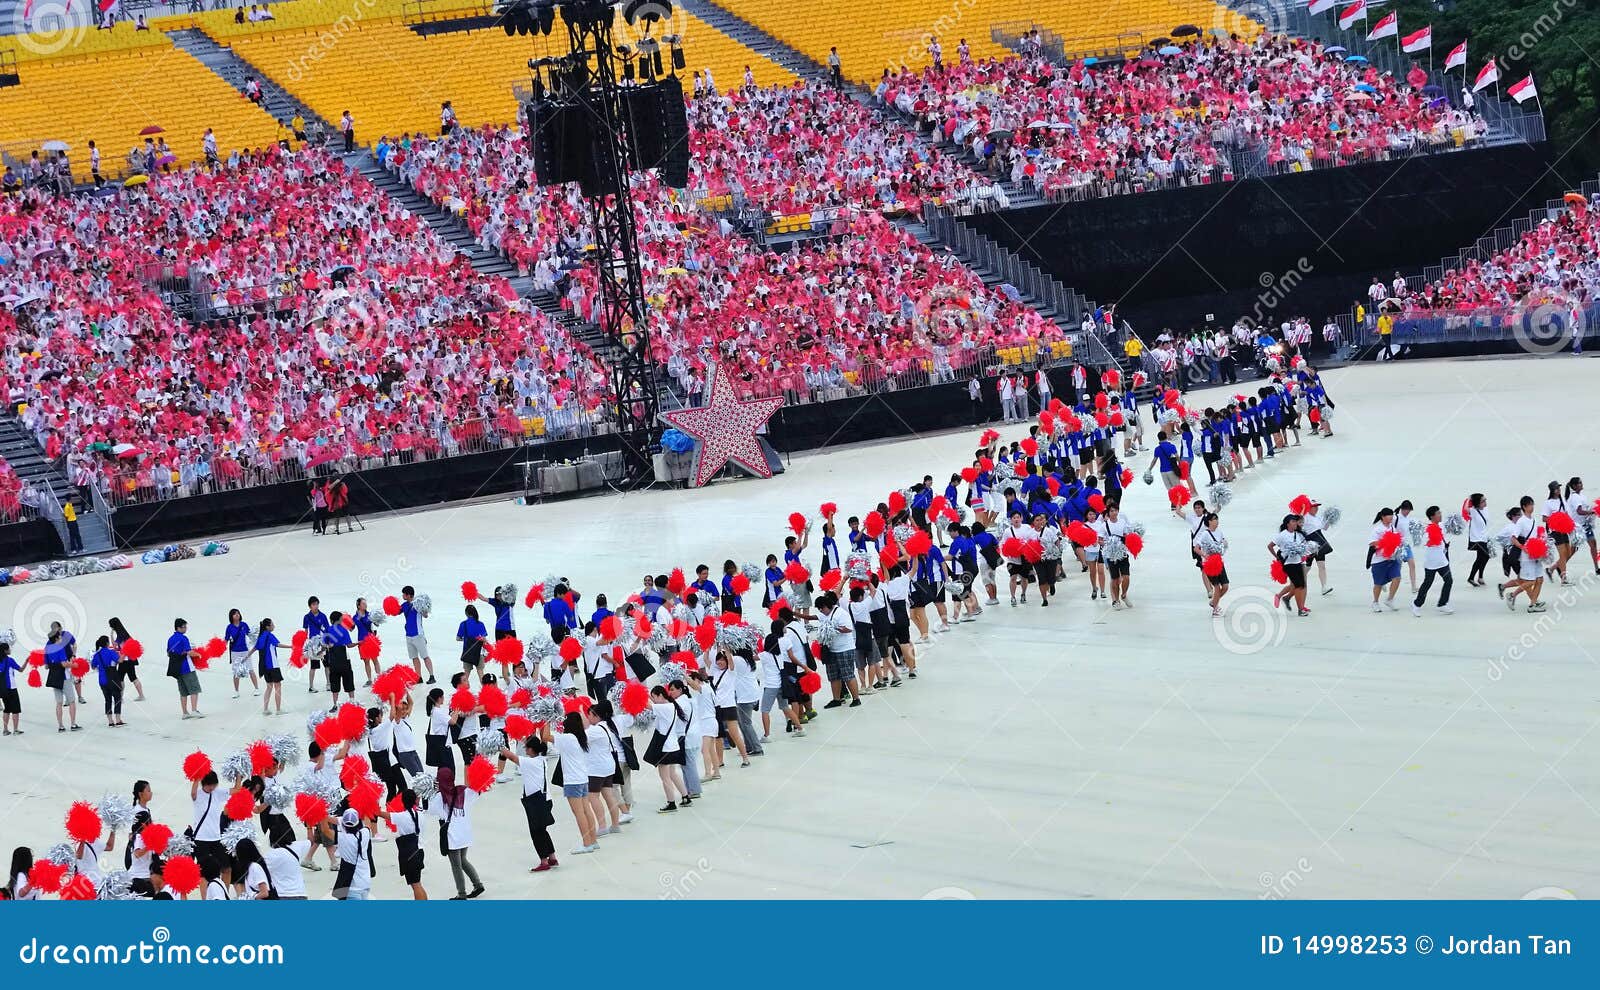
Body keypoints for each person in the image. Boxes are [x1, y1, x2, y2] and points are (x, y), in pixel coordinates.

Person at [501, 735, 557, 872]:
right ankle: (552, 856)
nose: (525, 749)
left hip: (536, 802)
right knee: (542, 831)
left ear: (532, 750)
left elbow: (511, 757)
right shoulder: (541, 760)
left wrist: (499, 745)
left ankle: (544, 861)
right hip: (545, 799)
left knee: (536, 832)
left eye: (526, 747)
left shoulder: (530, 763)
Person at [545, 715, 598, 855]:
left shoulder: (567, 738)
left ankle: (586, 843)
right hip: (583, 779)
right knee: (586, 810)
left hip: (572, 781)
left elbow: (545, 737)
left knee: (579, 813)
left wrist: (546, 718)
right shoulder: (581, 737)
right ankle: (593, 841)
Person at [428, 766, 485, 898]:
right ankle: (478, 885)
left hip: (452, 836)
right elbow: (477, 792)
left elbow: (431, 811)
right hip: (465, 834)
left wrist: (433, 792)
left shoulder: (439, 798)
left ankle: (461, 893)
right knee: (463, 860)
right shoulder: (464, 791)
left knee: (456, 865)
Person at [1412, 505, 1455, 616]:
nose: (1440, 515)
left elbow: (1446, 534)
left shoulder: (1441, 525)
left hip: (1442, 561)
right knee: (1427, 583)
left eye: (1440, 512)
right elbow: (1424, 542)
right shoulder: (1427, 530)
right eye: (1438, 513)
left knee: (1449, 580)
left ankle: (1442, 604)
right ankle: (1417, 604)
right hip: (1431, 562)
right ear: (1432, 516)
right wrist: (1430, 540)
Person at [388, 788, 428, 898]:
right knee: (417, 883)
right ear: (415, 801)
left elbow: (379, 813)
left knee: (416, 885)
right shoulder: (421, 815)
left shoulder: (400, 817)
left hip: (409, 853)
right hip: (419, 851)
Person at [166, 618, 204, 719]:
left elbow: (168, 653)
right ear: (178, 628)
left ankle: (185, 713)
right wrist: (199, 654)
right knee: (194, 689)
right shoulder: (184, 638)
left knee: (183, 692)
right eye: (184, 627)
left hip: (177, 669)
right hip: (187, 668)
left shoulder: (170, 639)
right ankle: (194, 710)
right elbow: (189, 652)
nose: (186, 628)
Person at [332, 809, 374, 900]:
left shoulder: (343, 838)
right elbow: (368, 823)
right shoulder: (365, 833)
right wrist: (366, 807)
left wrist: (318, 813)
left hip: (350, 887)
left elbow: (325, 828)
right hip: (365, 884)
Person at [1367, 508, 1404, 612]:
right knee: (1378, 583)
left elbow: (1396, 539)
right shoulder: (1377, 529)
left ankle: (1390, 599)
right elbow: (1372, 543)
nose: (1391, 517)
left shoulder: (1392, 527)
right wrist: (1385, 541)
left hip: (1392, 558)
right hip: (1379, 560)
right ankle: (1375, 602)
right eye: (1389, 515)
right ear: (1383, 517)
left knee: (1397, 578)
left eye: (1392, 515)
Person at [43, 628, 78, 732]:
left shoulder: (47, 649)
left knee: (59, 703)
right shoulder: (59, 648)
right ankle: (73, 724)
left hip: (54, 678)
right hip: (64, 677)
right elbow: (64, 664)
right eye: (60, 636)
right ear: (57, 638)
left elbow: (46, 666)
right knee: (71, 701)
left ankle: (61, 726)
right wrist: (74, 665)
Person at [401, 586, 436, 683]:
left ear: (408, 595)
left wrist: (423, 609)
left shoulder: (418, 603)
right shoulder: (404, 605)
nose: (402, 596)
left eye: (403, 594)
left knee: (425, 656)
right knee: (414, 657)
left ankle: (432, 676)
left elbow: (425, 615)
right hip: (408, 635)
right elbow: (396, 612)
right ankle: (418, 677)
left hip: (418, 634)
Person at [251, 617, 284, 715]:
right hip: (273, 665)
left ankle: (265, 709)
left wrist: (246, 656)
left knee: (269, 687)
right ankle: (278, 710)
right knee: (278, 686)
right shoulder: (269, 635)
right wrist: (291, 647)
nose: (274, 626)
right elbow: (278, 644)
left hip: (265, 666)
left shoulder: (261, 636)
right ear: (267, 627)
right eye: (272, 624)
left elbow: (255, 648)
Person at [89, 636, 124, 727]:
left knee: (107, 700)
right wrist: (124, 653)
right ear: (107, 643)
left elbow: (93, 666)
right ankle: (118, 719)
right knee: (117, 698)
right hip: (113, 679)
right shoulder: (111, 652)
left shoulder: (97, 654)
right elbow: (120, 660)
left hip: (102, 680)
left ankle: (110, 721)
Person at [110, 617, 145, 702]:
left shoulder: (120, 636)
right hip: (131, 659)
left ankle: (120, 698)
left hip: (125, 660)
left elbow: (115, 647)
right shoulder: (125, 634)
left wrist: (111, 636)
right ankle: (141, 695)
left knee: (120, 678)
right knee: (133, 677)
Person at [224, 608, 258, 699]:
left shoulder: (244, 625)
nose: (237, 615)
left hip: (245, 651)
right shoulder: (229, 627)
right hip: (234, 652)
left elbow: (250, 635)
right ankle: (236, 691)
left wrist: (257, 641)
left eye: (238, 613)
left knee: (251, 669)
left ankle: (256, 688)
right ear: (231, 616)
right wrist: (221, 647)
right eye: (235, 614)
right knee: (236, 671)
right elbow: (226, 639)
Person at [0, 643, 23, 736]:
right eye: (9, 648)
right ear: (5, 651)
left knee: (7, 709)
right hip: (11, 688)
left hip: (3, 689)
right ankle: (15, 729)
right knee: (15, 710)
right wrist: (26, 661)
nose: (10, 649)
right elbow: (20, 669)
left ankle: (5, 730)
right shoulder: (9, 660)